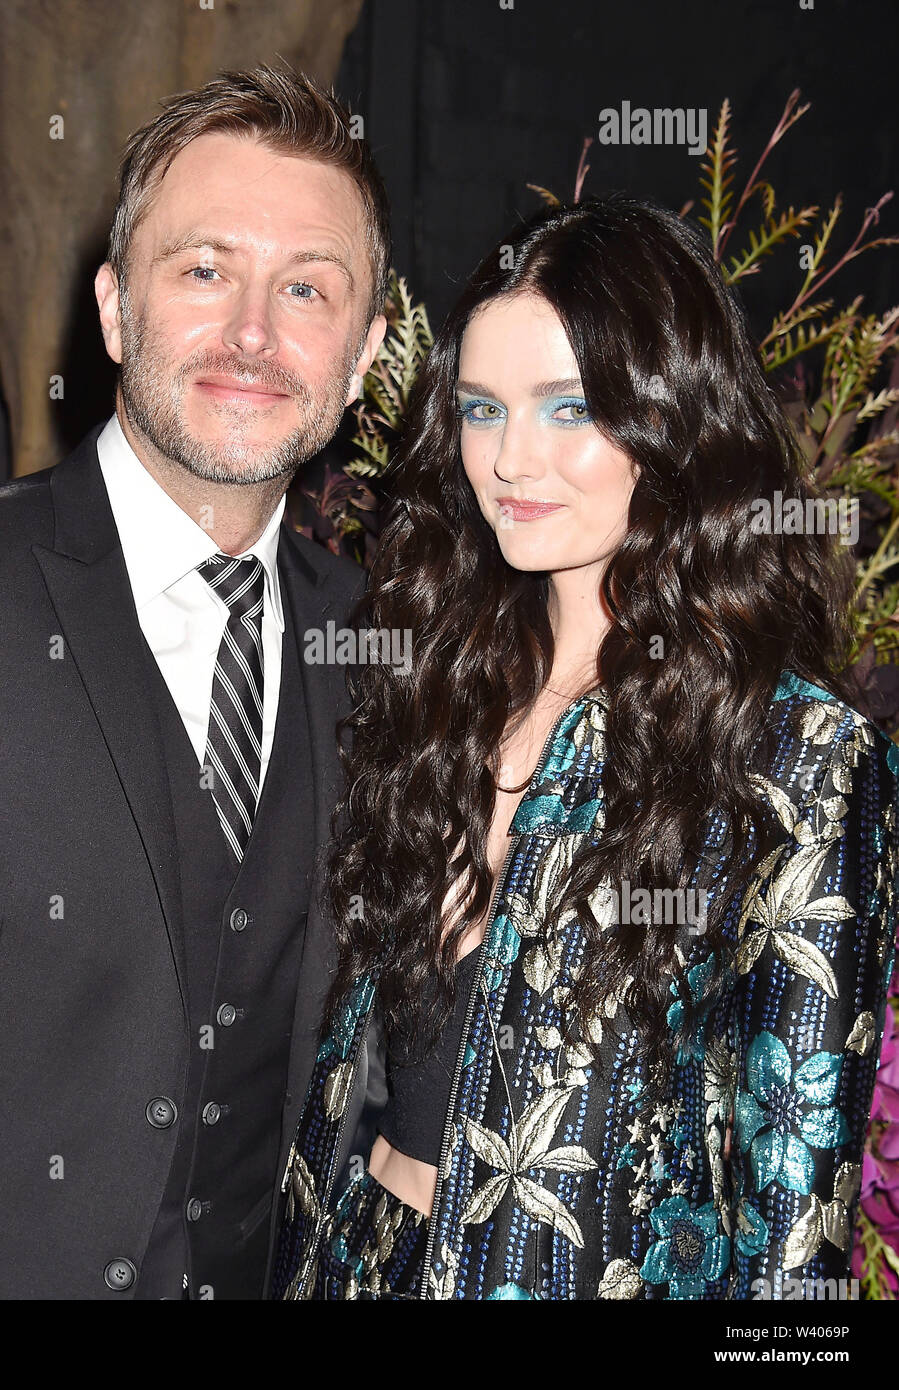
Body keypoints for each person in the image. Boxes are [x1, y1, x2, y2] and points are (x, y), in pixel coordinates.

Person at [0, 64, 388, 1300]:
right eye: (203, 270)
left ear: (364, 354)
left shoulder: (382, 649)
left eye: (306, 289)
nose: (252, 330)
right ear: (116, 309)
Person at [272, 196, 899, 1300]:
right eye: (481, 407)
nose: (512, 458)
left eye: (570, 409)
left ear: (672, 417)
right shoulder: (430, 689)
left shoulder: (800, 759)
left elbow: (796, 1229)